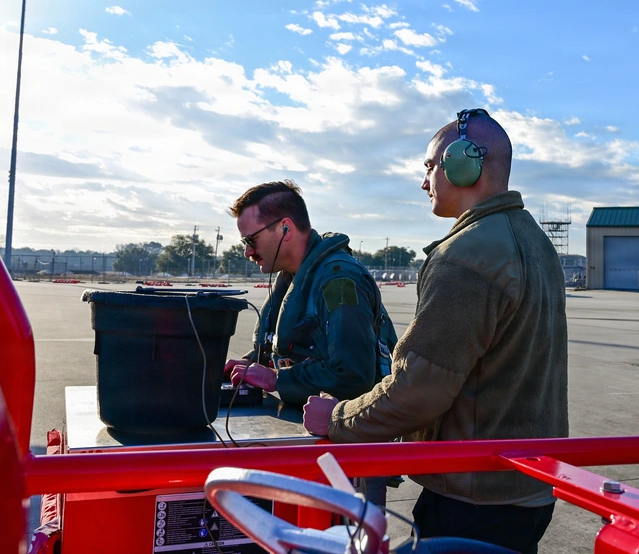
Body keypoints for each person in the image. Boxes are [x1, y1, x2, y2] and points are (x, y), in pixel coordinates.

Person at [303, 109, 569, 554]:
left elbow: (418, 391)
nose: (424, 181)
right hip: (527, 488)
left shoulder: (465, 256)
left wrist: (335, 417)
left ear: (464, 165)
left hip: (472, 497)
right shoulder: (534, 242)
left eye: (430, 167)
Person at [224, 180, 393, 408]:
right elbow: (301, 350)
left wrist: (276, 379)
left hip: (350, 432)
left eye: (251, 240)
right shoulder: (294, 277)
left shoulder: (340, 282)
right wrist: (251, 362)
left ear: (285, 228)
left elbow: (353, 373)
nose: (247, 251)